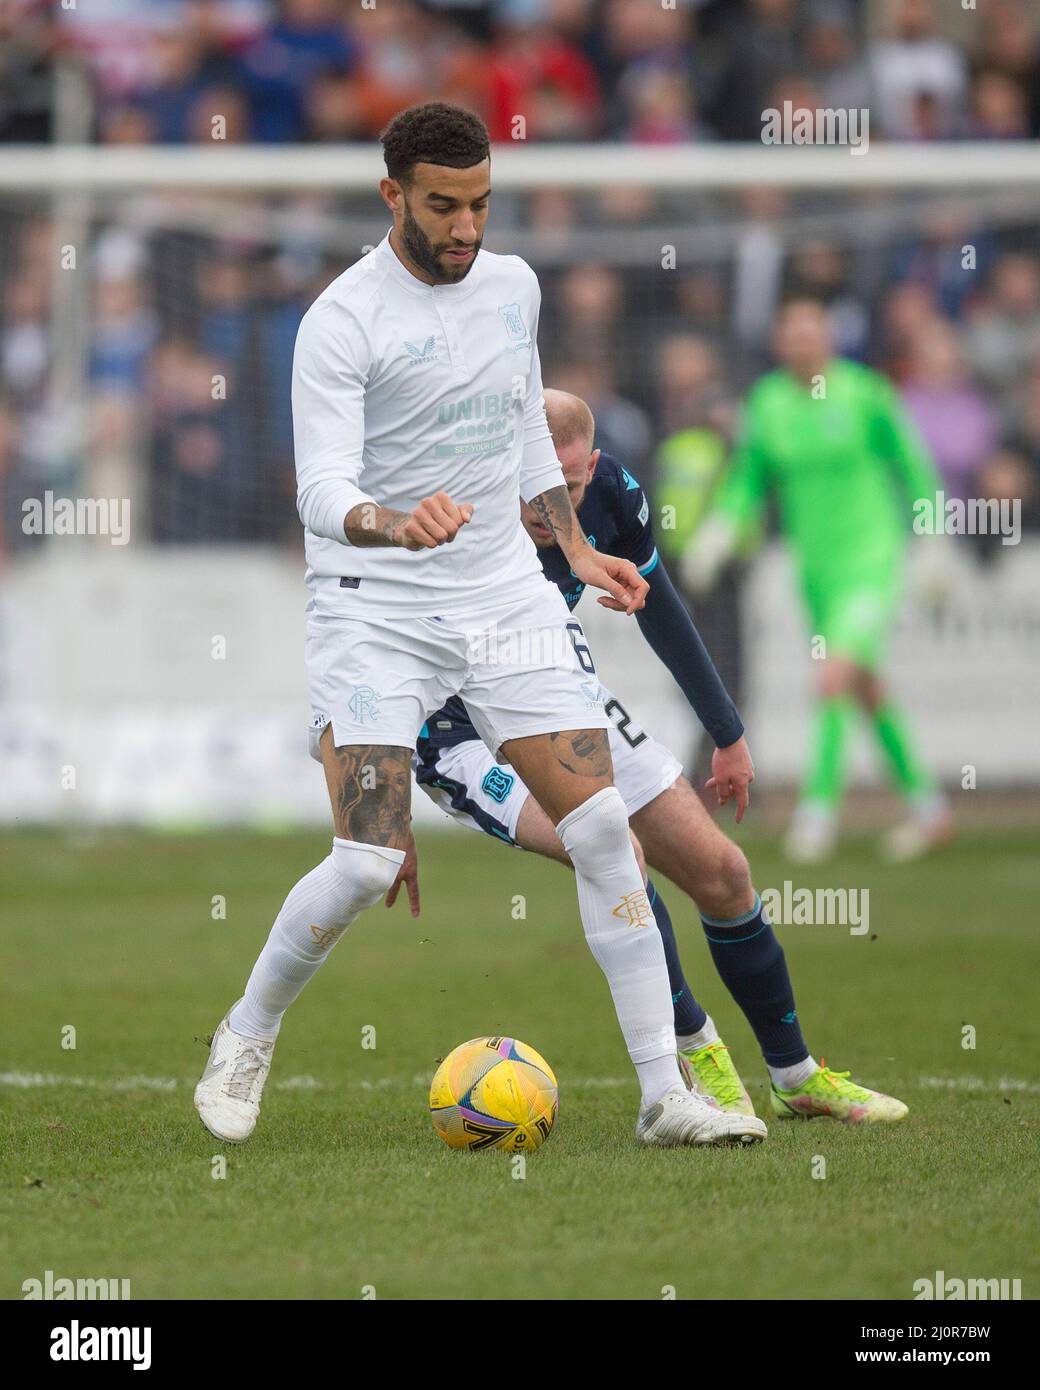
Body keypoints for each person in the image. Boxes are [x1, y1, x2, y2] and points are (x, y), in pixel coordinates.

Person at [194, 102, 765, 1149]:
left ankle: (662, 1095)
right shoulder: (341, 320)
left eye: (481, 205)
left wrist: (574, 547)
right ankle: (247, 1030)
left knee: (605, 830)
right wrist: (393, 521)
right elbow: (318, 490)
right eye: (442, 206)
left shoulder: (514, 288)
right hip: (375, 609)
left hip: (504, 598)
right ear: (392, 196)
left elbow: (523, 434)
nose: (465, 227)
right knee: (366, 861)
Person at [405, 389, 909, 1125]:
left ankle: (796, 1076)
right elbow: (374, 649)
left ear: (591, 466)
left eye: (567, 486)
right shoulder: (457, 513)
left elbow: (662, 610)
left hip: (553, 693)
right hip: (456, 732)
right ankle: (700, 1064)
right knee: (617, 853)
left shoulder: (614, 494)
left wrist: (727, 733)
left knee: (725, 873)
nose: (550, 507)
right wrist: (380, 811)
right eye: (536, 487)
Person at [684, 298, 952, 863]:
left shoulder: (866, 394)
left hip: (871, 560)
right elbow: (747, 479)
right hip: (816, 573)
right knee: (864, 688)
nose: (803, 344)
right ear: (780, 343)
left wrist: (932, 538)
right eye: (793, 335)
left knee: (832, 679)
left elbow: (914, 467)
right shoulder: (768, 404)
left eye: (812, 333)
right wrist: (720, 529)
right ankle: (929, 810)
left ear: (828, 338)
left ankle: (817, 813)